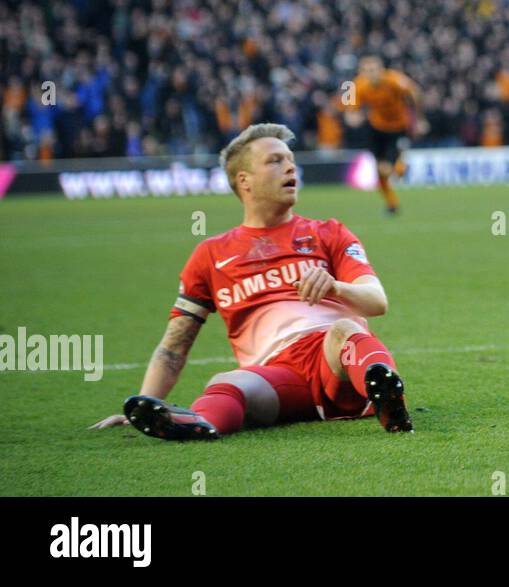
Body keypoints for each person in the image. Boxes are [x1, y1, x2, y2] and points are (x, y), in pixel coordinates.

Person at [90, 123, 413, 439]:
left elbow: (377, 302)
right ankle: (196, 423)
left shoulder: (328, 232)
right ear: (244, 181)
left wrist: (335, 287)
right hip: (278, 378)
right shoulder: (210, 255)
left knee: (344, 330)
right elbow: (174, 346)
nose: (290, 167)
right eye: (275, 161)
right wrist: (147, 402)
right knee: (227, 382)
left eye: (290, 159)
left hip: (337, 364)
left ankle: (386, 398)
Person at [346, 54, 424, 215]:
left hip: (398, 127)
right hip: (376, 129)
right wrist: (352, 117)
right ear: (362, 72)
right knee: (380, 171)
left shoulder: (394, 79)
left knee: (387, 169)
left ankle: (401, 166)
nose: (371, 73)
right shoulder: (357, 85)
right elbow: (350, 108)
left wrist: (418, 119)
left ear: (382, 70)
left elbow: (415, 92)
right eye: (367, 70)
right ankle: (392, 204)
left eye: (374, 69)